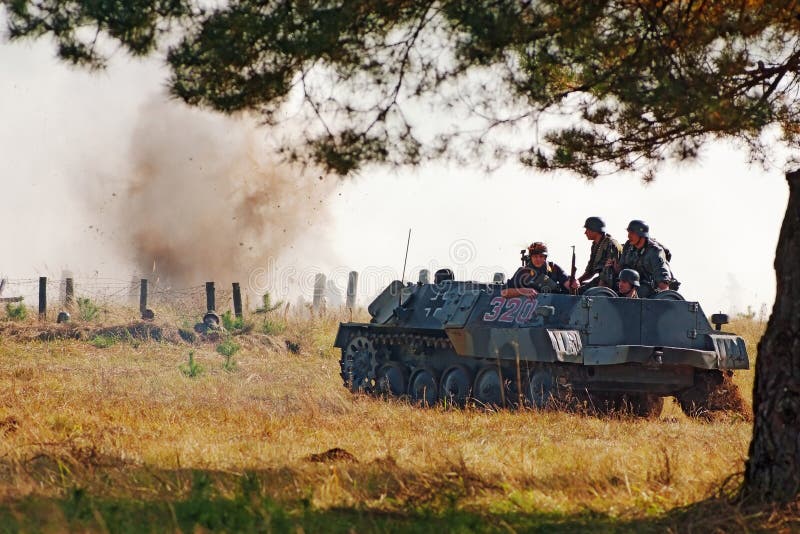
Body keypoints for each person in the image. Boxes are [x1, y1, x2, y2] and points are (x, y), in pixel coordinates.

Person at [612, 220, 676, 298]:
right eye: (628, 232)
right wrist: (614, 265)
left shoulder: (655, 252)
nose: (628, 236)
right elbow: (622, 269)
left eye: (632, 233)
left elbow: (663, 281)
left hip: (652, 288)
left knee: (639, 292)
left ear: (641, 235)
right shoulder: (628, 246)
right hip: (633, 283)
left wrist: (664, 299)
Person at [509, 242, 579, 294]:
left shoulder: (553, 268)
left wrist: (573, 284)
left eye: (541, 256)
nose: (538, 259)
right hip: (530, 307)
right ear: (531, 257)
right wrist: (523, 291)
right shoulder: (523, 271)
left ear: (545, 257)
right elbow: (504, 292)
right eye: (535, 256)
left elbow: (566, 283)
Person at [577, 216, 622, 289]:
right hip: (602, 280)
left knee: (584, 293)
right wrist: (578, 281)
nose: (585, 233)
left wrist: (599, 288)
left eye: (587, 229)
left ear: (594, 230)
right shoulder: (595, 245)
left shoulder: (611, 245)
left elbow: (610, 273)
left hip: (611, 284)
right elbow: (590, 271)